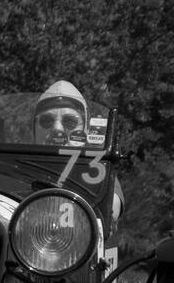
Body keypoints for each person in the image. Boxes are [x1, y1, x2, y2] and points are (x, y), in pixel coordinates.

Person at [33, 78, 123, 224]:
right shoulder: (15, 165)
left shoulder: (98, 168)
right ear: (34, 129)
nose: (57, 129)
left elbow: (112, 208)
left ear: (85, 129)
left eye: (69, 122)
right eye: (46, 121)